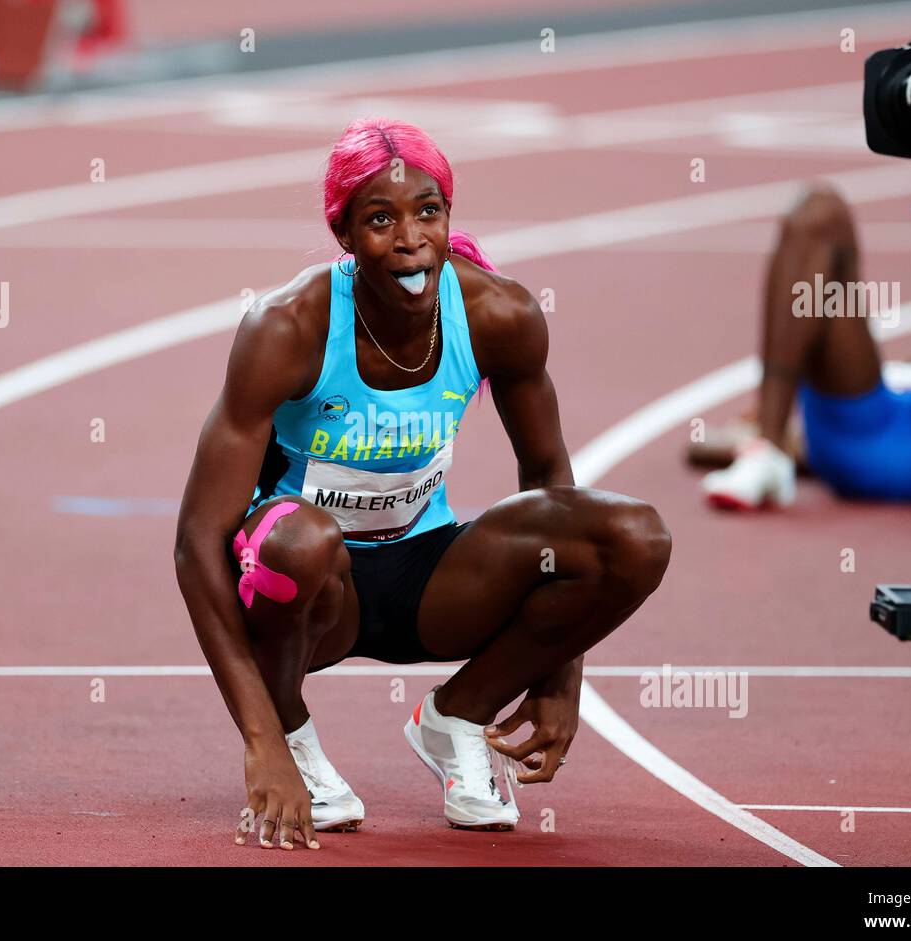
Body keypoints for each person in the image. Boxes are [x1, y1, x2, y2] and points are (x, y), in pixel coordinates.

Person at [173, 118, 671, 850]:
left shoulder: (499, 314)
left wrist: (558, 678)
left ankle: (458, 715)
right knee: (302, 541)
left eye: (427, 212)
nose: (411, 240)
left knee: (634, 537)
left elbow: (548, 483)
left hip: (429, 577)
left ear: (447, 216)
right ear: (344, 234)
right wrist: (262, 741)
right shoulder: (287, 328)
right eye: (381, 220)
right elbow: (196, 541)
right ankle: (294, 738)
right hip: (305, 596)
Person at [699, 185, 911, 509]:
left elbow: (701, 446)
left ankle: (766, 445)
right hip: (874, 434)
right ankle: (766, 452)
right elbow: (700, 447)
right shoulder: (826, 416)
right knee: (818, 211)